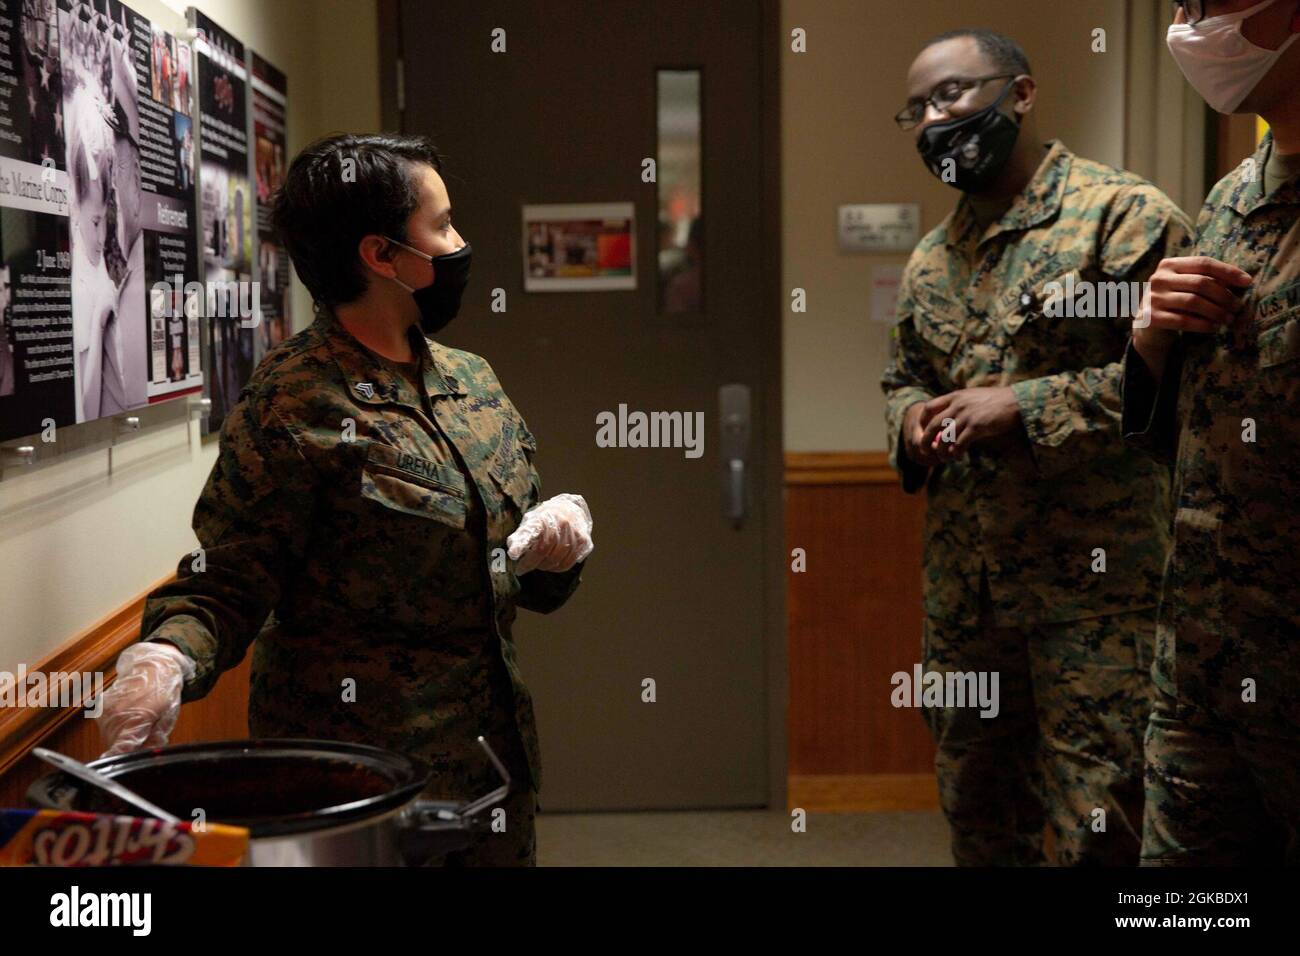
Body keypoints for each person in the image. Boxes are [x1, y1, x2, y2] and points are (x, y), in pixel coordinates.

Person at [96, 133, 595, 867]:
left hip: (493, 771)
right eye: (443, 225)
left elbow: (516, 566)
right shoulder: (294, 399)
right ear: (381, 255)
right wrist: (164, 659)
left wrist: (560, 546)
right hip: (356, 793)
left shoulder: (472, 381)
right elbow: (227, 583)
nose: (461, 243)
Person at [881, 28, 1195, 865]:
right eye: (915, 110)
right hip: (968, 602)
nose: (932, 121)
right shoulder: (928, 262)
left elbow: (1178, 393)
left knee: (1102, 821)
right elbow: (902, 381)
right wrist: (910, 424)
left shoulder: (1124, 221)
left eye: (950, 95)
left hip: (1096, 599)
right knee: (980, 814)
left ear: (1020, 94)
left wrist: (1024, 407)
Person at [1124, 0, 1300, 865]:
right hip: (1201, 668)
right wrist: (1150, 341)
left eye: (1213, 2)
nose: (1191, 25)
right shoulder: (1234, 199)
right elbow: (1190, 442)